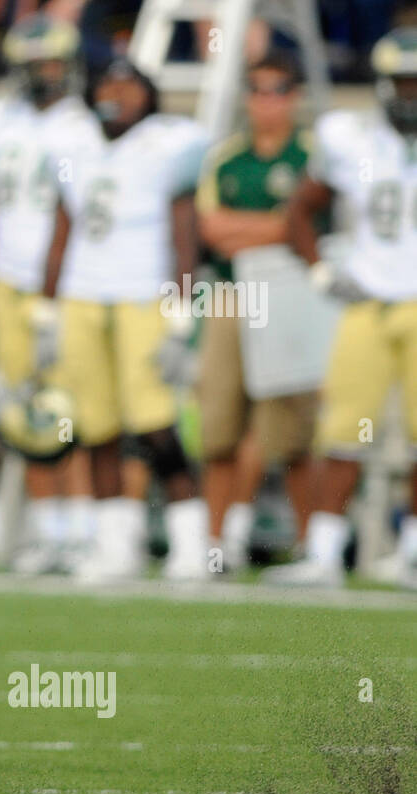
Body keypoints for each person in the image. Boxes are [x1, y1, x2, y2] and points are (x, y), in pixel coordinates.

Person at [40, 56, 211, 581]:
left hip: (144, 296)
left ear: (149, 94)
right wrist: (46, 309)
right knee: (97, 427)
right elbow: (63, 227)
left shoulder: (170, 143)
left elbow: (185, 234)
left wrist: (182, 313)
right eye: (109, 83)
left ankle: (192, 542)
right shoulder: (70, 140)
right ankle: (117, 545)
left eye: (130, 85)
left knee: (157, 424)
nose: (119, 94)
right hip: (83, 295)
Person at [0, 13, 93, 573]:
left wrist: (59, 300)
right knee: (23, 411)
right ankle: (49, 535)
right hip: (7, 283)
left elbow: (77, 216)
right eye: (35, 64)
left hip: (70, 285)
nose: (45, 74)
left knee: (69, 409)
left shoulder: (85, 127)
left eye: (52, 62)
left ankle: (81, 533)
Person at [270, 27, 417, 589]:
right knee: (343, 433)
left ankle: (410, 554)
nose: (409, 94)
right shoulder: (352, 139)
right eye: (401, 83)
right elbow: (299, 212)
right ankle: (325, 553)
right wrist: (322, 271)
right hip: (370, 306)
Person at [195, 51, 317, 574]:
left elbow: (300, 228)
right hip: (229, 294)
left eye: (279, 89)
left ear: (296, 95)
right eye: (258, 89)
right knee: (219, 428)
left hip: (294, 296)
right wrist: (271, 227)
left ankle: (312, 548)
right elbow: (210, 231)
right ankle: (216, 544)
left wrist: (255, 230)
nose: (267, 101)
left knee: (290, 433)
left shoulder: (313, 156)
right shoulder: (225, 158)